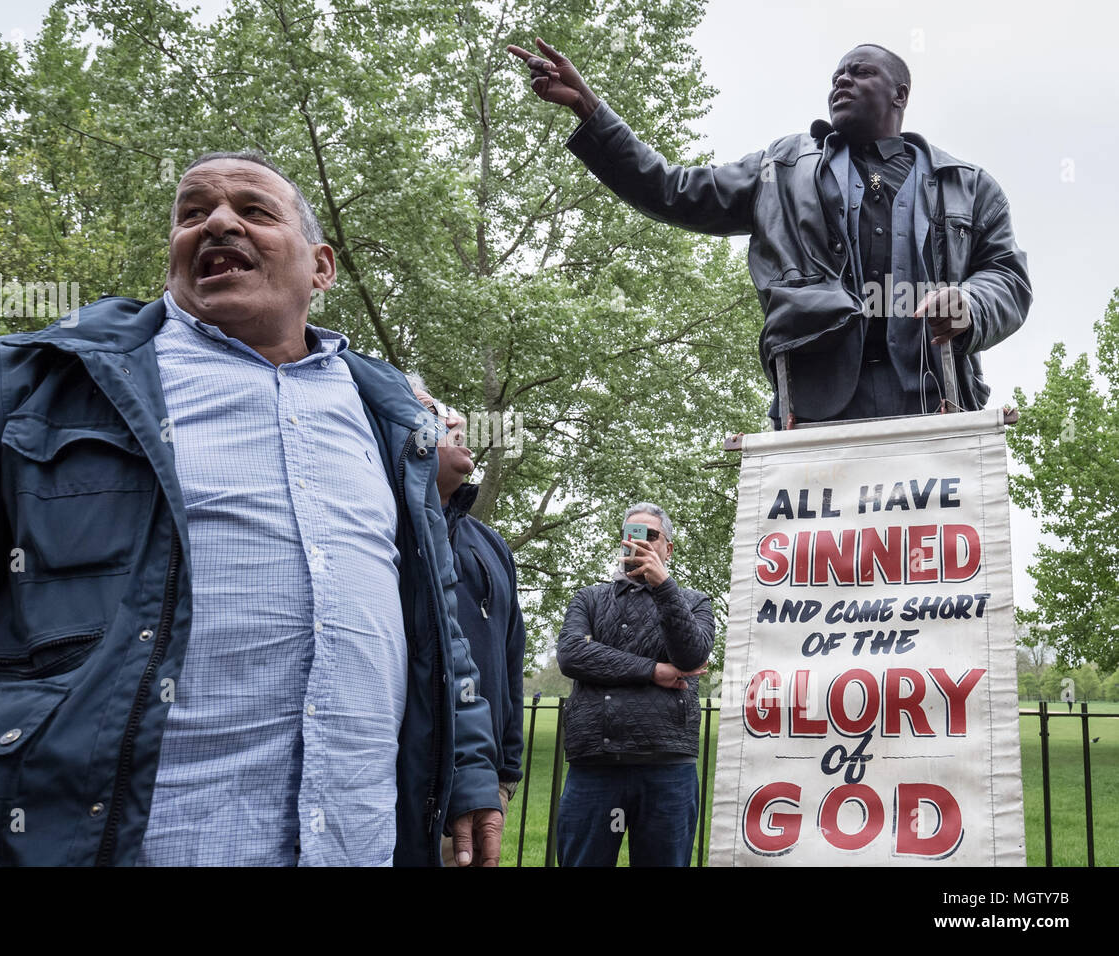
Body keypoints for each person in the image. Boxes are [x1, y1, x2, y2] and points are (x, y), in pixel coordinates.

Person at [0, 151, 504, 867]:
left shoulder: (390, 417)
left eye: (255, 210)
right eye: (191, 213)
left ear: (321, 267)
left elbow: (432, 614)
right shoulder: (42, 379)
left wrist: (466, 765)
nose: (215, 222)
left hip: (358, 845)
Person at [508, 39, 1031, 428]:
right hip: (814, 409)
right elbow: (671, 190)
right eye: (836, 75)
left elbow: (1008, 278)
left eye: (860, 72)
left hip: (932, 401)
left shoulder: (966, 185)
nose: (841, 81)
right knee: (818, 573)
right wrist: (591, 112)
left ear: (901, 93)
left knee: (932, 567)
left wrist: (969, 304)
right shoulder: (780, 168)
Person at [405, 374, 526, 866]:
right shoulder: (377, 528)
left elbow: (510, 659)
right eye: (435, 411)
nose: (458, 421)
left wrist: (503, 774)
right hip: (409, 784)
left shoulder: (491, 544)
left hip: (482, 787)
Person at [554, 503, 713, 867]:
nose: (638, 543)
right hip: (595, 764)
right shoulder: (589, 598)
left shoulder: (693, 601)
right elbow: (572, 655)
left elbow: (691, 657)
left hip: (667, 765)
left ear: (668, 548)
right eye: (630, 535)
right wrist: (654, 671)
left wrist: (664, 588)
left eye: (649, 536)